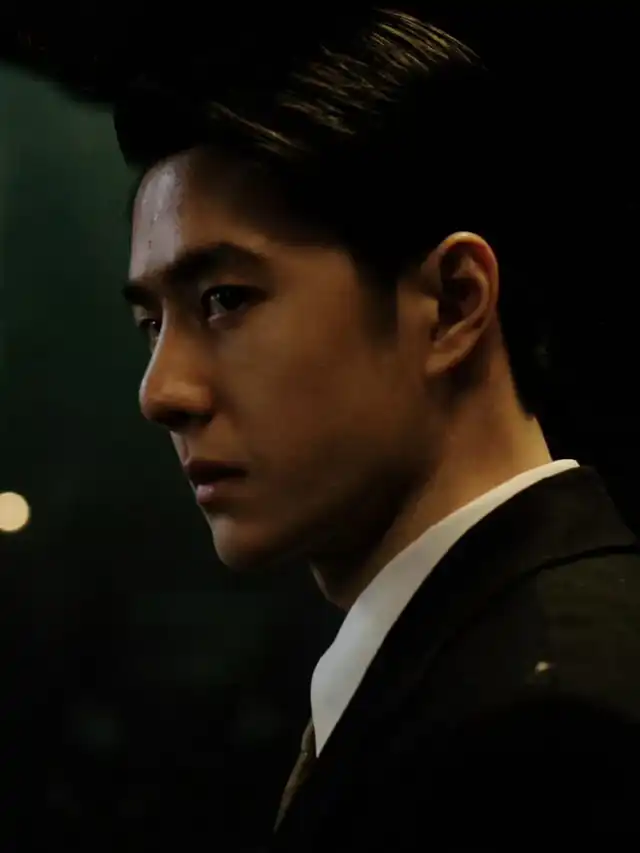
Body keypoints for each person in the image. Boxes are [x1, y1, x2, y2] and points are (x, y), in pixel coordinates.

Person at [66, 6, 640, 848]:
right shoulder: (486, 664)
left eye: (224, 299)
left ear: (453, 303)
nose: (161, 392)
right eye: (151, 323)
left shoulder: (547, 732)